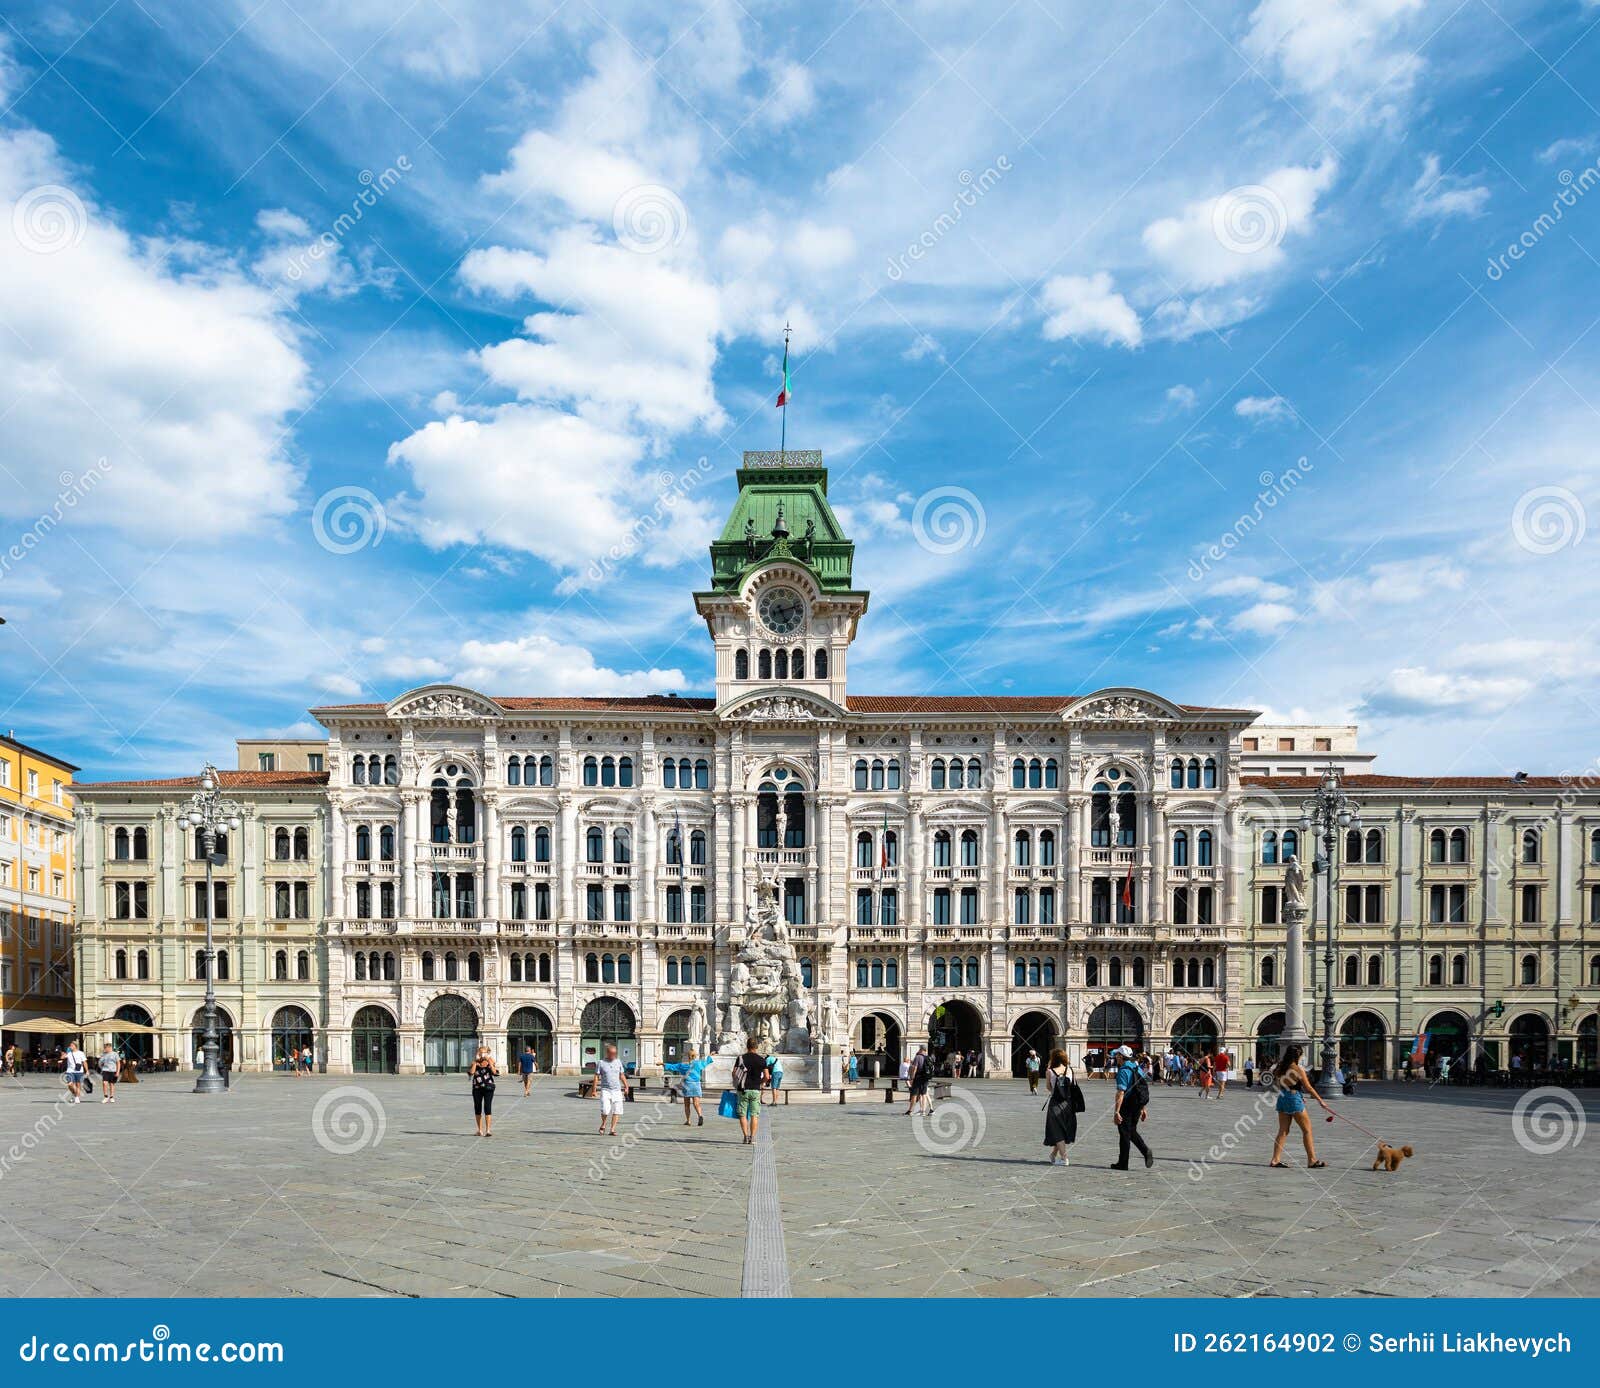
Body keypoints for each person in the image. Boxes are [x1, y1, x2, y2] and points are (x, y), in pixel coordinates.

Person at [1268, 1045, 1331, 1168]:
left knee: (1283, 1131)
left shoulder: (1280, 1067)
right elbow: (1309, 1088)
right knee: (1307, 1130)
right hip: (1294, 1098)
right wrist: (1320, 1101)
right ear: (1298, 1055)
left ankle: (1275, 1159)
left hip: (1282, 1097)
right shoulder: (1297, 1069)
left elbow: (1278, 1082)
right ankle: (1312, 1160)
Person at [1109, 1044, 1153, 1170]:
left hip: (1127, 1105)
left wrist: (1117, 1111)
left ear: (1121, 1057)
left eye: (1117, 1055)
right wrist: (1143, 1108)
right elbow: (1142, 1089)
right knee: (1131, 1131)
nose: (1116, 1057)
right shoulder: (1136, 1068)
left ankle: (1123, 1163)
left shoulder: (1123, 1070)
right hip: (1137, 1105)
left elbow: (1120, 1092)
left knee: (1124, 1134)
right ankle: (1145, 1151)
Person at [1042, 1049, 1080, 1165]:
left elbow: (1049, 1087)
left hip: (1056, 1103)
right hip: (1068, 1103)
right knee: (1062, 1128)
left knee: (1056, 1129)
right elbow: (1074, 1085)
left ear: (1053, 1058)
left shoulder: (1049, 1071)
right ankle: (1053, 1154)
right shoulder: (1070, 1070)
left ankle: (1064, 1158)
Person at [663, 1046, 713, 1126]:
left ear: (688, 1056)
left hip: (687, 1085)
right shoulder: (698, 1064)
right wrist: (710, 1055)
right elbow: (707, 1062)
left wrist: (662, 1064)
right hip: (696, 1085)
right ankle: (700, 1115)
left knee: (687, 1104)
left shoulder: (683, 1065)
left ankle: (688, 1121)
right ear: (695, 1056)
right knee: (696, 1103)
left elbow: (673, 1066)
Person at [732, 1039, 769, 1145]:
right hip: (756, 1090)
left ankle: (745, 1136)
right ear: (756, 1047)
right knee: (754, 1115)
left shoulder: (741, 1058)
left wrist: (737, 1082)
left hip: (743, 1089)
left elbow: (734, 1073)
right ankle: (752, 1138)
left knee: (742, 1114)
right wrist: (761, 1083)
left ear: (747, 1046)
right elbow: (767, 1076)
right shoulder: (761, 1060)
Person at [593, 1043, 629, 1136]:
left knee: (617, 1110)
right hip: (605, 1089)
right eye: (612, 1053)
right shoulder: (601, 1063)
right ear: (607, 1053)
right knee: (605, 1110)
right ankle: (604, 1124)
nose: (613, 1055)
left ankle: (612, 1129)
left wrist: (626, 1086)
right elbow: (596, 1077)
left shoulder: (618, 1062)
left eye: (615, 1053)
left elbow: (621, 1075)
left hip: (617, 1090)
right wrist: (594, 1090)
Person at [470, 1046, 499, 1137]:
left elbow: (495, 1073)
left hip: (488, 1087)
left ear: (488, 1053)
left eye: (484, 1052)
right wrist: (475, 1062)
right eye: (480, 1052)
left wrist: (489, 1062)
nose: (482, 1054)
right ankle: (479, 1130)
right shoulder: (475, 1062)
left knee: (487, 1107)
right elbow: (471, 1072)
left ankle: (488, 1130)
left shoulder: (491, 1061)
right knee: (477, 1107)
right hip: (477, 1088)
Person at [905, 1045, 933, 1116]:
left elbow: (915, 1068)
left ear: (921, 1049)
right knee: (923, 1094)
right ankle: (923, 1111)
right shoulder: (928, 1057)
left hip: (918, 1077)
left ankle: (910, 1110)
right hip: (926, 1078)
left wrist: (912, 1077)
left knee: (914, 1094)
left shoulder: (918, 1057)